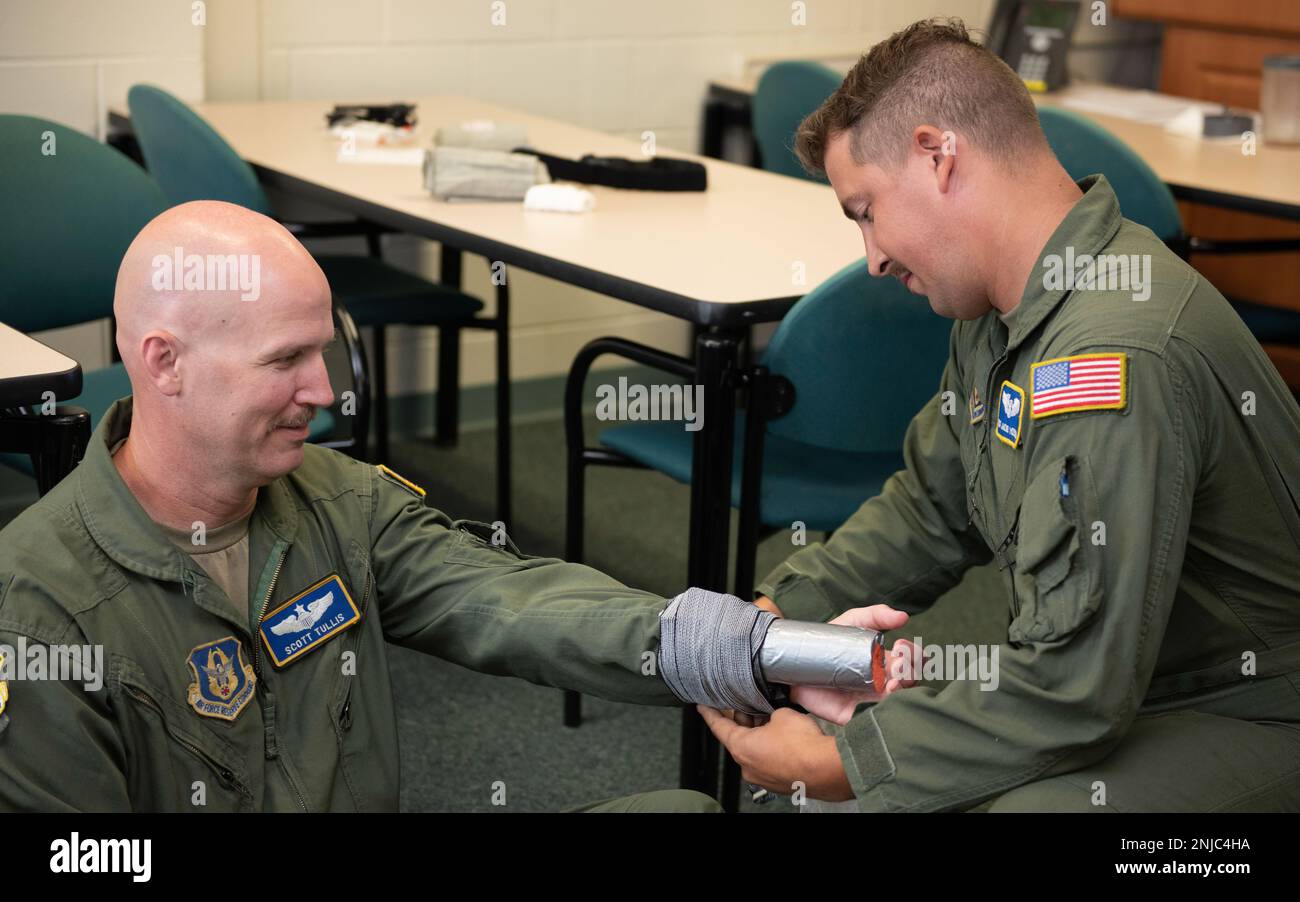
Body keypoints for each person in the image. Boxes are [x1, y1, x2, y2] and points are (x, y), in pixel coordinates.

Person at [0, 200, 906, 812]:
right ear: (164, 364)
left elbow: (517, 605)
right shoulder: (39, 607)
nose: (327, 391)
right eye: (286, 362)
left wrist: (760, 651)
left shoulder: (334, 500)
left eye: (325, 353)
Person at [700, 18, 1300, 812]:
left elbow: (1073, 689)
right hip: (1133, 670)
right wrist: (782, 615)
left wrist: (842, 766)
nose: (873, 257)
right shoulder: (1001, 310)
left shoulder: (1113, 357)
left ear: (938, 156)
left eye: (866, 209)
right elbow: (932, 507)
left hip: (1251, 706)